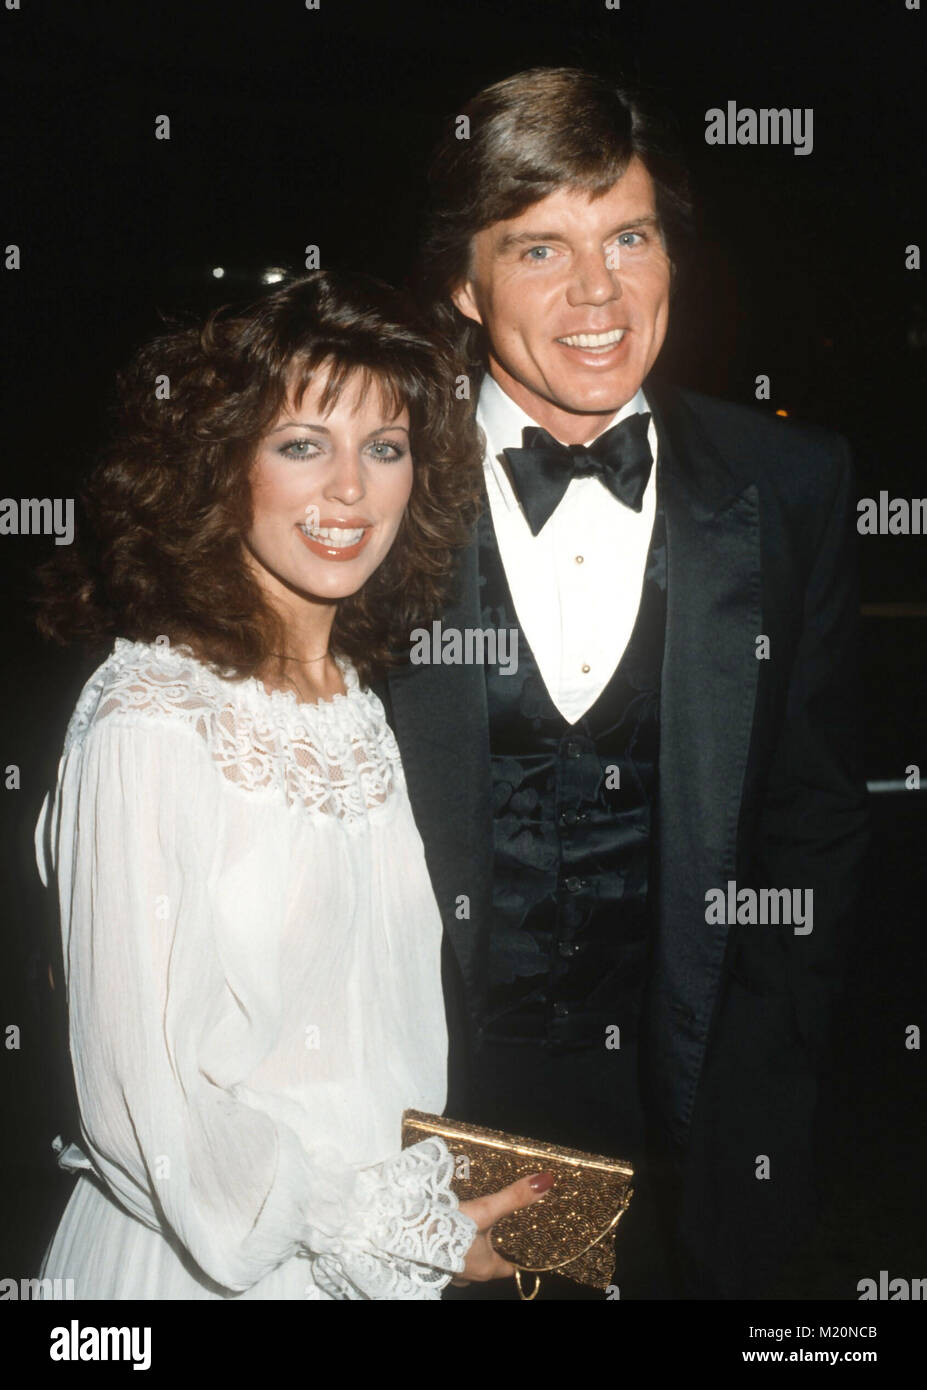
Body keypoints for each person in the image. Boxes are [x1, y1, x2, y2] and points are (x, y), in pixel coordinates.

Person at [372, 67, 871, 1299]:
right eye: (539, 247)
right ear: (462, 284)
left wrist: (763, 1087)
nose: (597, 294)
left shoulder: (790, 484)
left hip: (691, 1122)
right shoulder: (365, 486)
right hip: (413, 1123)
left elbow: (816, 822)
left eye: (629, 237)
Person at [31, 269, 554, 1300]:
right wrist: (391, 1235)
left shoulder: (365, 698)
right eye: (302, 444)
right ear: (219, 463)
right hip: (204, 1268)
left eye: (385, 447)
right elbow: (147, 1107)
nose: (350, 491)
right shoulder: (150, 718)